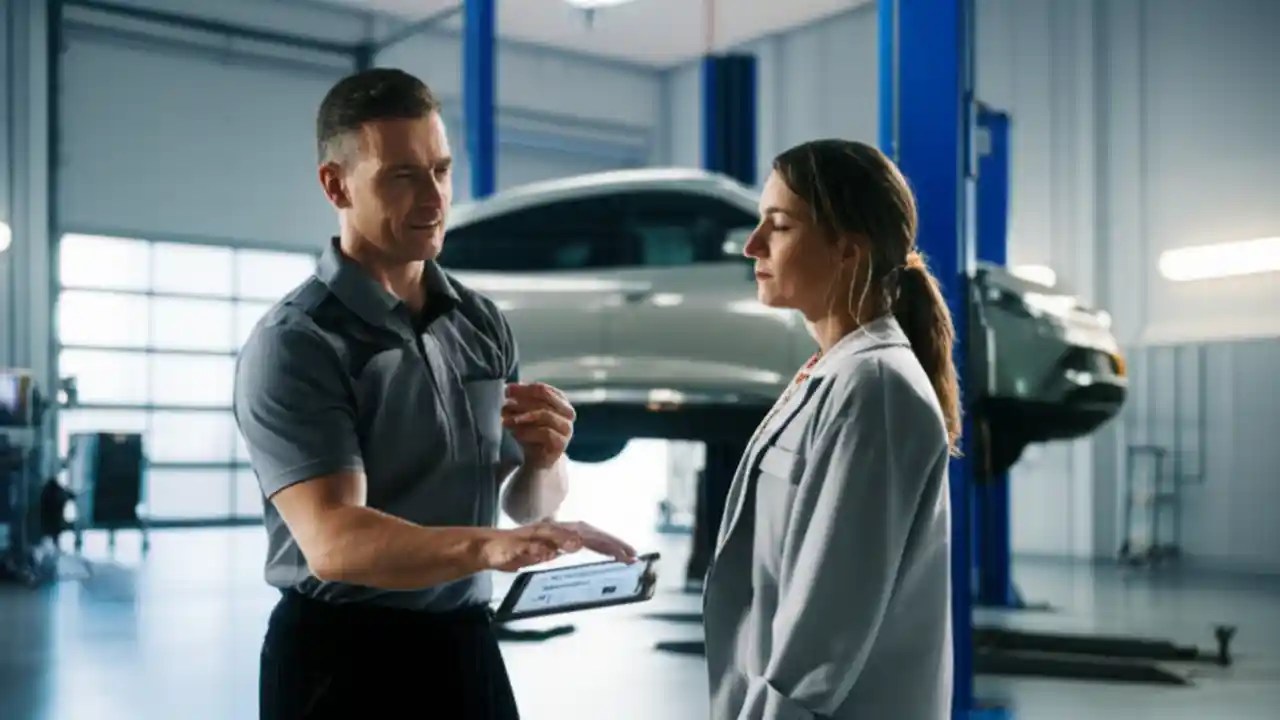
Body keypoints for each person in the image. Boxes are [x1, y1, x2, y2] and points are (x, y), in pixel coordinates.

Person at [233, 67, 637, 720]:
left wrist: (544, 461)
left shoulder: (480, 322)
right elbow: (334, 543)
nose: (433, 199)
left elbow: (521, 499)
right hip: (341, 657)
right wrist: (485, 548)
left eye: (441, 171)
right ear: (336, 185)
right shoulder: (299, 343)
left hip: (463, 641)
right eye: (402, 176)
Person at [702, 139, 960, 719]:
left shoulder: (875, 387)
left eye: (781, 226)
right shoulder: (836, 372)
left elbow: (824, 627)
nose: (752, 246)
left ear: (848, 250)